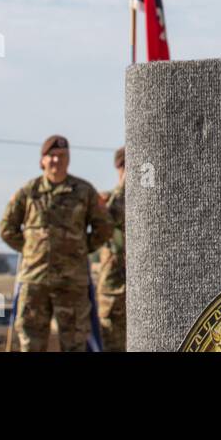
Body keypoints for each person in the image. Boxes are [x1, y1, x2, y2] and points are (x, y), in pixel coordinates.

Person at [0, 135, 112, 352]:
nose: (56, 161)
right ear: (42, 160)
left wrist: (80, 249)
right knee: (31, 343)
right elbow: (6, 228)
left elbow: (104, 227)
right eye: (52, 156)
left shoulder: (83, 191)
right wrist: (31, 249)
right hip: (35, 281)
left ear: (68, 159)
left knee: (75, 343)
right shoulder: (29, 192)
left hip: (71, 282)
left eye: (62, 156)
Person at [97, 146, 127, 352]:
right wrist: (123, 187)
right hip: (114, 289)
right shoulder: (110, 200)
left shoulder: (152, 199)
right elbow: (104, 225)